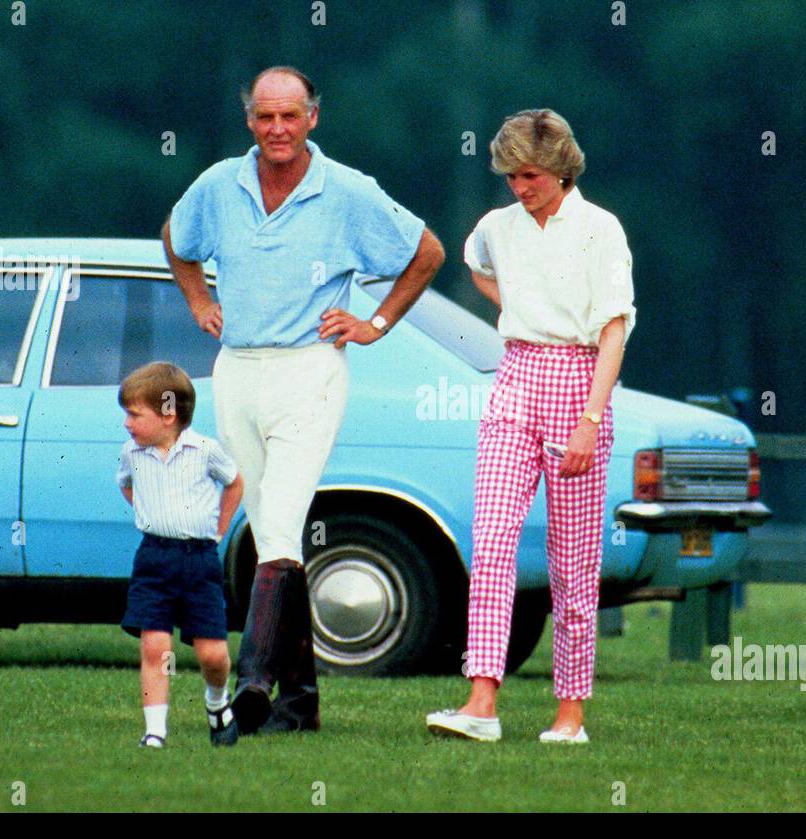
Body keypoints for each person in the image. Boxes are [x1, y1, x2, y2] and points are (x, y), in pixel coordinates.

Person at [162, 66, 444, 735]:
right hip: (238, 369)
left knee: (282, 524)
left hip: (310, 370)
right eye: (265, 117)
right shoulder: (218, 184)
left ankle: (253, 682)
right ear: (249, 119)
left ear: (313, 116)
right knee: (270, 533)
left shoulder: (346, 190)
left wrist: (373, 325)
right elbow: (176, 238)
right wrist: (199, 298)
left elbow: (426, 252)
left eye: (291, 116)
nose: (278, 129)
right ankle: (301, 703)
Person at [426, 109, 635, 744]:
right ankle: (481, 701)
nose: (521, 186)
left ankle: (570, 713)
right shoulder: (497, 227)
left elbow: (613, 328)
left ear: (561, 169)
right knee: (490, 542)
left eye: (532, 175)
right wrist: (518, 306)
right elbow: (476, 266)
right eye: (512, 175)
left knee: (573, 563)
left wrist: (590, 421)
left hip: (580, 382)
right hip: (515, 375)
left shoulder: (601, 229)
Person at [116, 361, 245, 748]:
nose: (127, 423)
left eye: (135, 414)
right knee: (155, 647)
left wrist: (219, 531)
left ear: (168, 415)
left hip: (199, 562)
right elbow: (125, 485)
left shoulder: (205, 451)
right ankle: (155, 731)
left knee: (214, 655)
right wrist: (150, 514)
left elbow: (235, 483)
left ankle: (217, 703)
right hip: (153, 558)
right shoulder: (132, 453)